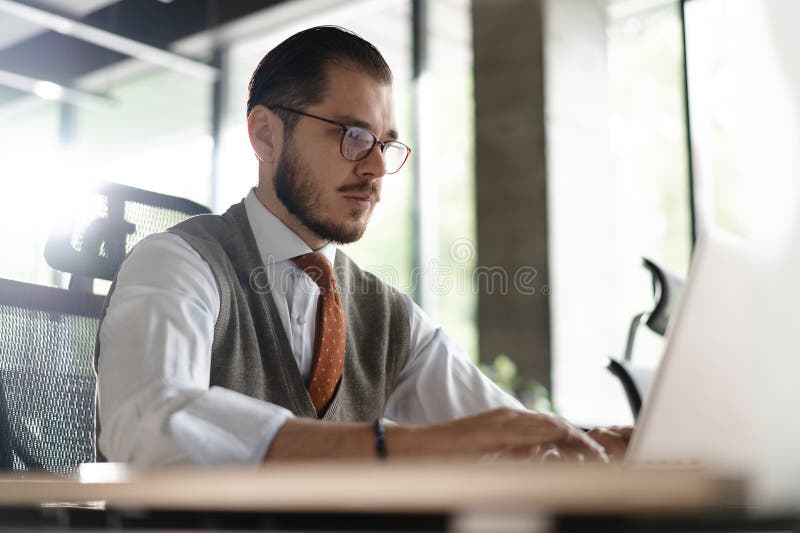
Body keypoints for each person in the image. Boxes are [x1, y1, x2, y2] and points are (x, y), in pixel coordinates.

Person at [95, 26, 630, 466]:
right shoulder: (177, 264)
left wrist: (590, 443)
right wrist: (391, 445)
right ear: (265, 136)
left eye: (385, 143)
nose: (375, 168)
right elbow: (149, 422)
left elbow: (498, 428)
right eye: (351, 135)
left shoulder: (387, 314)